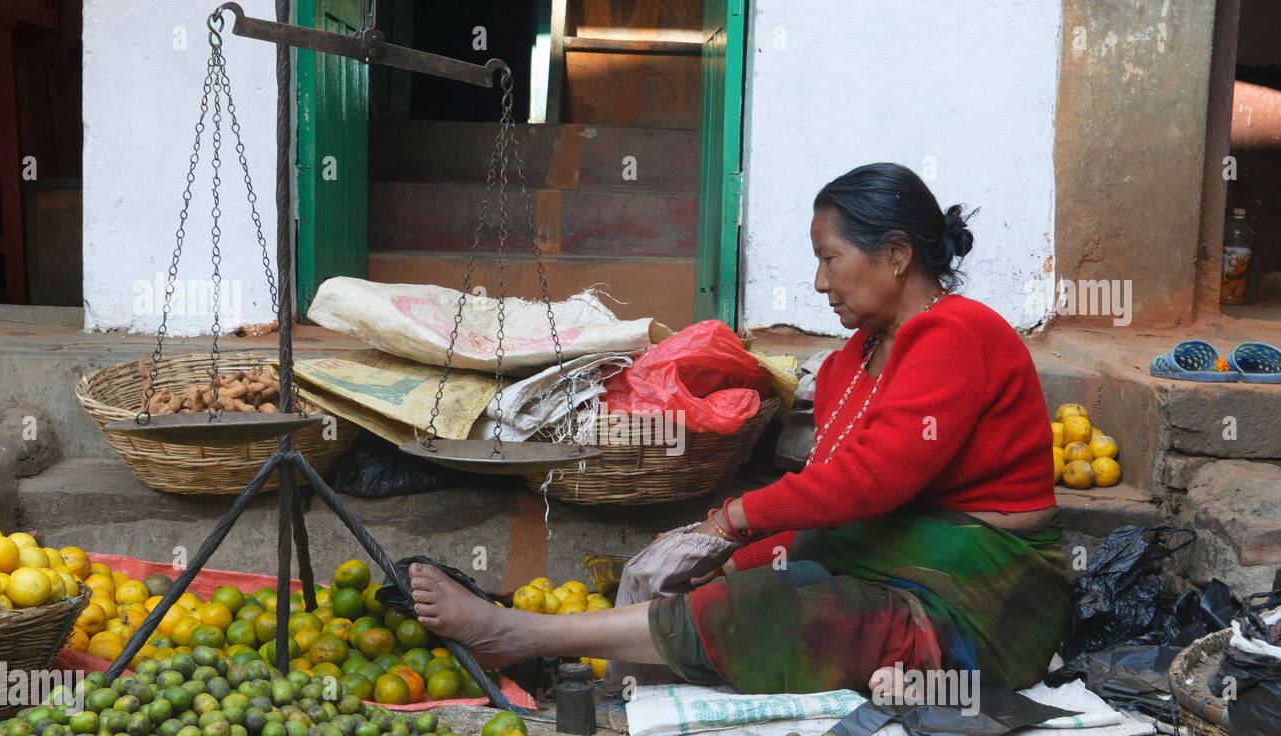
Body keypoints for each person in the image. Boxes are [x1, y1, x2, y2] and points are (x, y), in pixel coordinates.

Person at [409, 162, 1068, 698]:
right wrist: (722, 558)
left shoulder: (957, 334)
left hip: (986, 604)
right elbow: (824, 505)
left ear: (896, 255)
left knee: (800, 614)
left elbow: (872, 482)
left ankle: (522, 634)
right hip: (895, 567)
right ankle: (581, 645)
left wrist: (730, 520)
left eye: (830, 259)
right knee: (747, 589)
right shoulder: (849, 362)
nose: (819, 283)